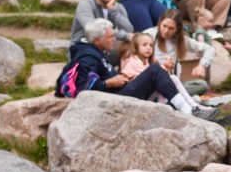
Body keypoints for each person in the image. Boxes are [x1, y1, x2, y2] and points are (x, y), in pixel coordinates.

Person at [58, 18, 197, 114]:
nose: (114, 39)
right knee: (154, 70)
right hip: (112, 100)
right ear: (97, 40)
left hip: (116, 94)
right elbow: (84, 89)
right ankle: (188, 110)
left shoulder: (96, 52)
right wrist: (108, 83)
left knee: (159, 73)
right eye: (110, 37)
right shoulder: (88, 58)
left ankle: (188, 107)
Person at [150, 8, 212, 94]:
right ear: (160, 22)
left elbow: (209, 49)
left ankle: (174, 96)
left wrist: (202, 65)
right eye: (164, 26)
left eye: (171, 28)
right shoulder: (150, 34)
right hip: (152, 82)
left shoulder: (182, 41)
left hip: (172, 83)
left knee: (202, 85)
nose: (166, 31)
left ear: (177, 29)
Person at [70, 0, 134, 49]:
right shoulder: (86, 4)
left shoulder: (117, 7)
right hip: (84, 46)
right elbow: (93, 31)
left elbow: (129, 30)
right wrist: (125, 36)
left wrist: (114, 12)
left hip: (107, 46)